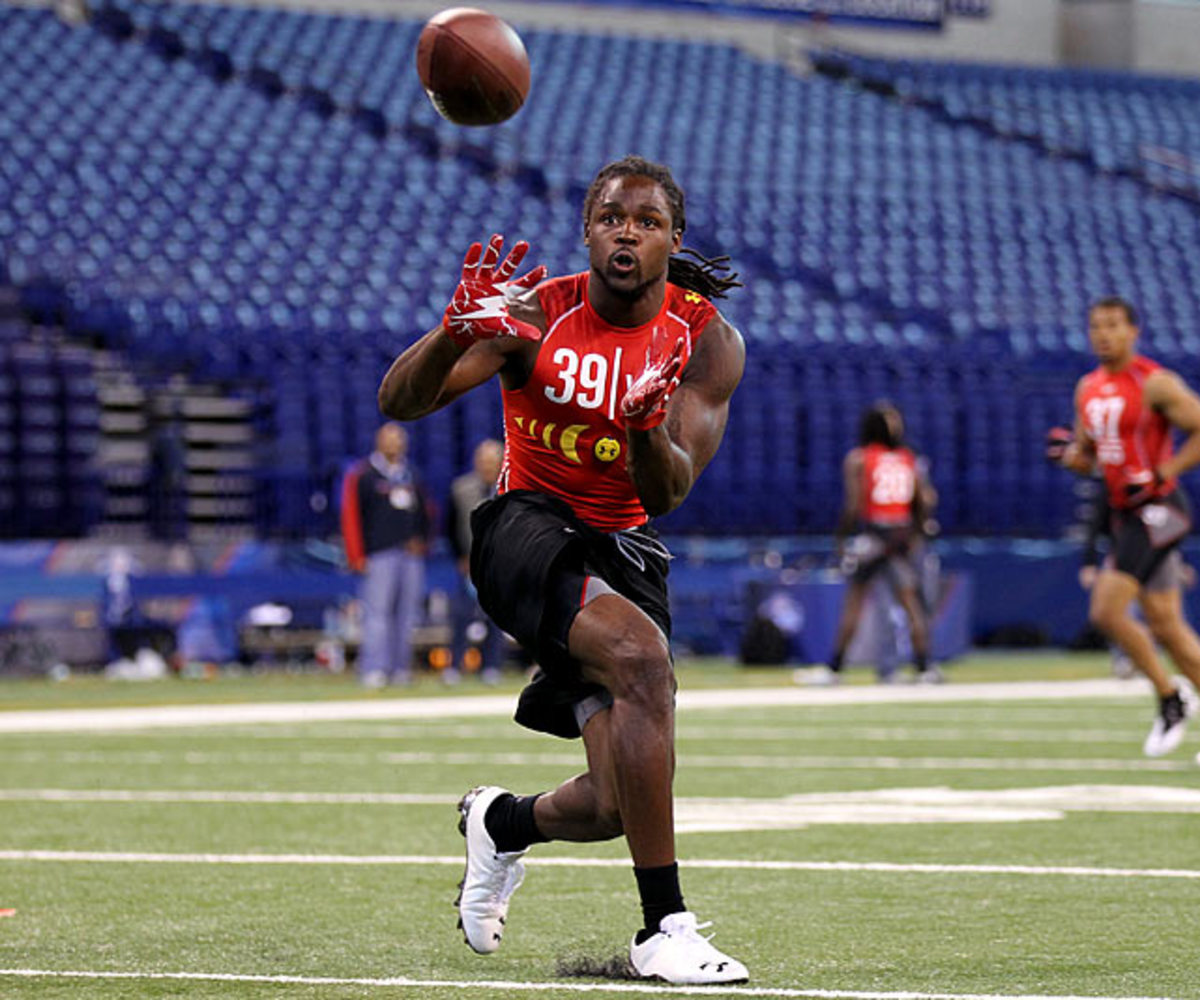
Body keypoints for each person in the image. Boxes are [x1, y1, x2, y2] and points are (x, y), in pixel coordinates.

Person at [378, 155, 748, 984]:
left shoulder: (708, 341)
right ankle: (665, 928)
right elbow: (398, 402)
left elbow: (669, 491)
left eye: (647, 221)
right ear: (587, 232)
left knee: (617, 804)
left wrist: (645, 427)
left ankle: (502, 823)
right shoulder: (536, 314)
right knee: (642, 660)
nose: (627, 232)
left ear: (673, 238)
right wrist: (451, 332)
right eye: (612, 216)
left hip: (623, 544)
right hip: (527, 524)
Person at [1047, 296, 1200, 756]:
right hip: (1125, 512)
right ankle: (1175, 694)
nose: (1104, 334)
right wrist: (1068, 456)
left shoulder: (1154, 382)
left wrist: (1163, 471)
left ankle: (1170, 697)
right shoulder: (1088, 388)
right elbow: (1088, 457)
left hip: (1161, 508)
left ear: (1134, 331)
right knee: (1167, 625)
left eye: (1113, 325)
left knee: (1106, 611)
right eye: (1096, 326)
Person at [810, 402, 938, 685]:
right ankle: (924, 666)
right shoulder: (907, 458)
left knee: (854, 602)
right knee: (910, 603)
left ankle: (835, 667)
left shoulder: (859, 458)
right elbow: (926, 499)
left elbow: (853, 504)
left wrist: (841, 537)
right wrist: (916, 532)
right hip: (902, 536)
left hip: (874, 536)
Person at [340, 422, 430, 688]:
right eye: (389, 439)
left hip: (410, 556)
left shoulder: (411, 474)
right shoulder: (364, 474)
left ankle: (400, 669)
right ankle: (374, 668)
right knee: (377, 615)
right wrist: (356, 556)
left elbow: (426, 511)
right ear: (378, 442)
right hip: (378, 554)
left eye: (398, 440)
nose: (394, 444)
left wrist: (422, 541)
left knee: (407, 614)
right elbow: (351, 516)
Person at [447, 438, 507, 683]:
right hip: (469, 562)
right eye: (483, 461)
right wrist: (460, 555)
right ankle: (455, 665)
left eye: (492, 461)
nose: (487, 466)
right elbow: (450, 526)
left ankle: (491, 666)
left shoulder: (510, 488)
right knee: (461, 615)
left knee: (497, 617)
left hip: (500, 564)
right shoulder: (461, 489)